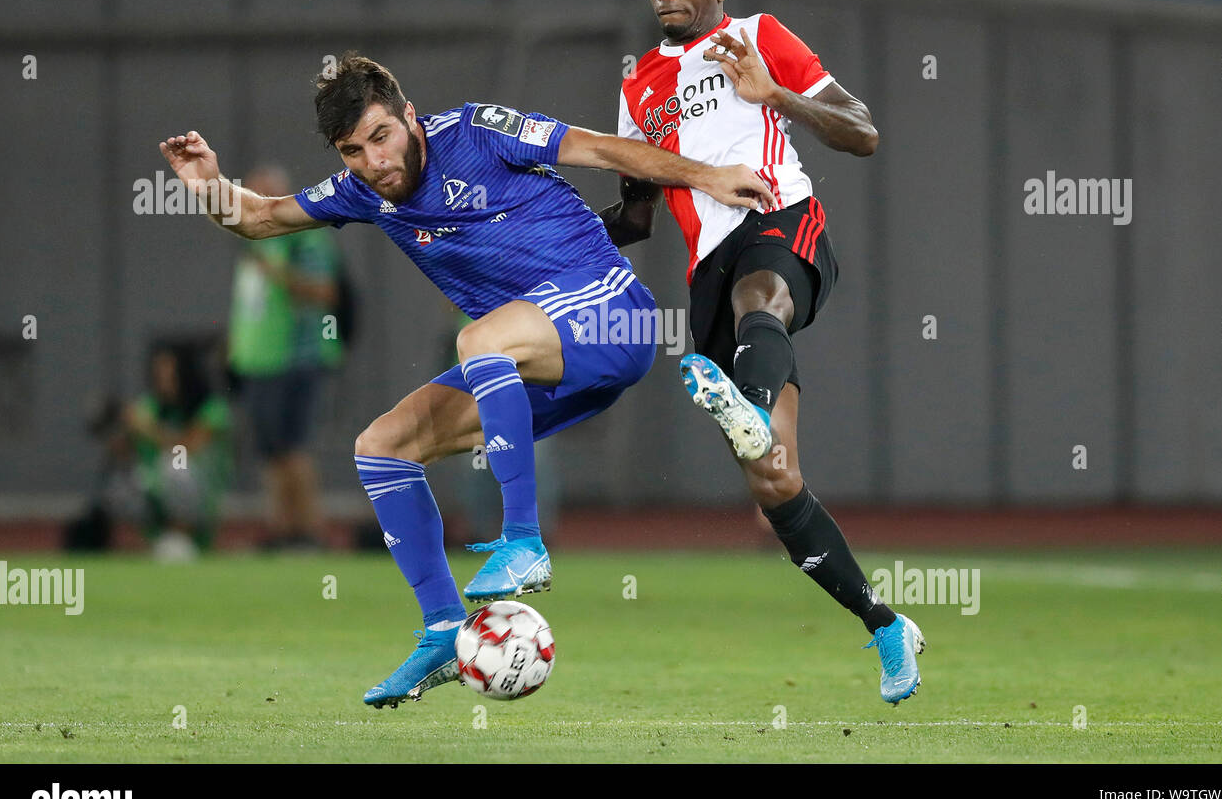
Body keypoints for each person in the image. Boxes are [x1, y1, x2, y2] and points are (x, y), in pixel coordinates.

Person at [160, 52, 773, 707]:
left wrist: (709, 176)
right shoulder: (362, 191)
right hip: (538, 357)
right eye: (353, 151)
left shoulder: (479, 131)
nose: (374, 162)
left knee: (478, 338)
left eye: (381, 137)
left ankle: (524, 541)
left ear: (409, 118)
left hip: (609, 314)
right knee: (381, 446)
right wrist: (209, 185)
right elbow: (261, 218)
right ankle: (442, 630)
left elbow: (599, 148)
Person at [602, 0, 925, 704]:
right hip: (707, 271)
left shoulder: (759, 37)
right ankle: (884, 624)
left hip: (783, 219)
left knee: (763, 298)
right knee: (775, 479)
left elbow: (865, 133)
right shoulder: (639, 84)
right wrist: (539, 233)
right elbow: (638, 216)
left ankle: (745, 399)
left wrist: (773, 94)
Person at [227, 163, 344, 551]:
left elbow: (326, 293)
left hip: (295, 359)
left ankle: (308, 532)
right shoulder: (254, 246)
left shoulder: (303, 239)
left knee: (294, 448)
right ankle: (280, 531)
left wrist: (279, 274)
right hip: (258, 363)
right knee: (271, 450)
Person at [103, 341, 232, 560]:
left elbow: (187, 448)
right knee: (121, 486)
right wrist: (120, 431)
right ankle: (159, 541)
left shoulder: (211, 407)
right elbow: (124, 452)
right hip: (156, 488)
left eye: (170, 372)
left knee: (174, 465)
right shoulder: (150, 405)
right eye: (159, 372)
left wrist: (149, 429)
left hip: (199, 490)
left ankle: (183, 538)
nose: (163, 379)